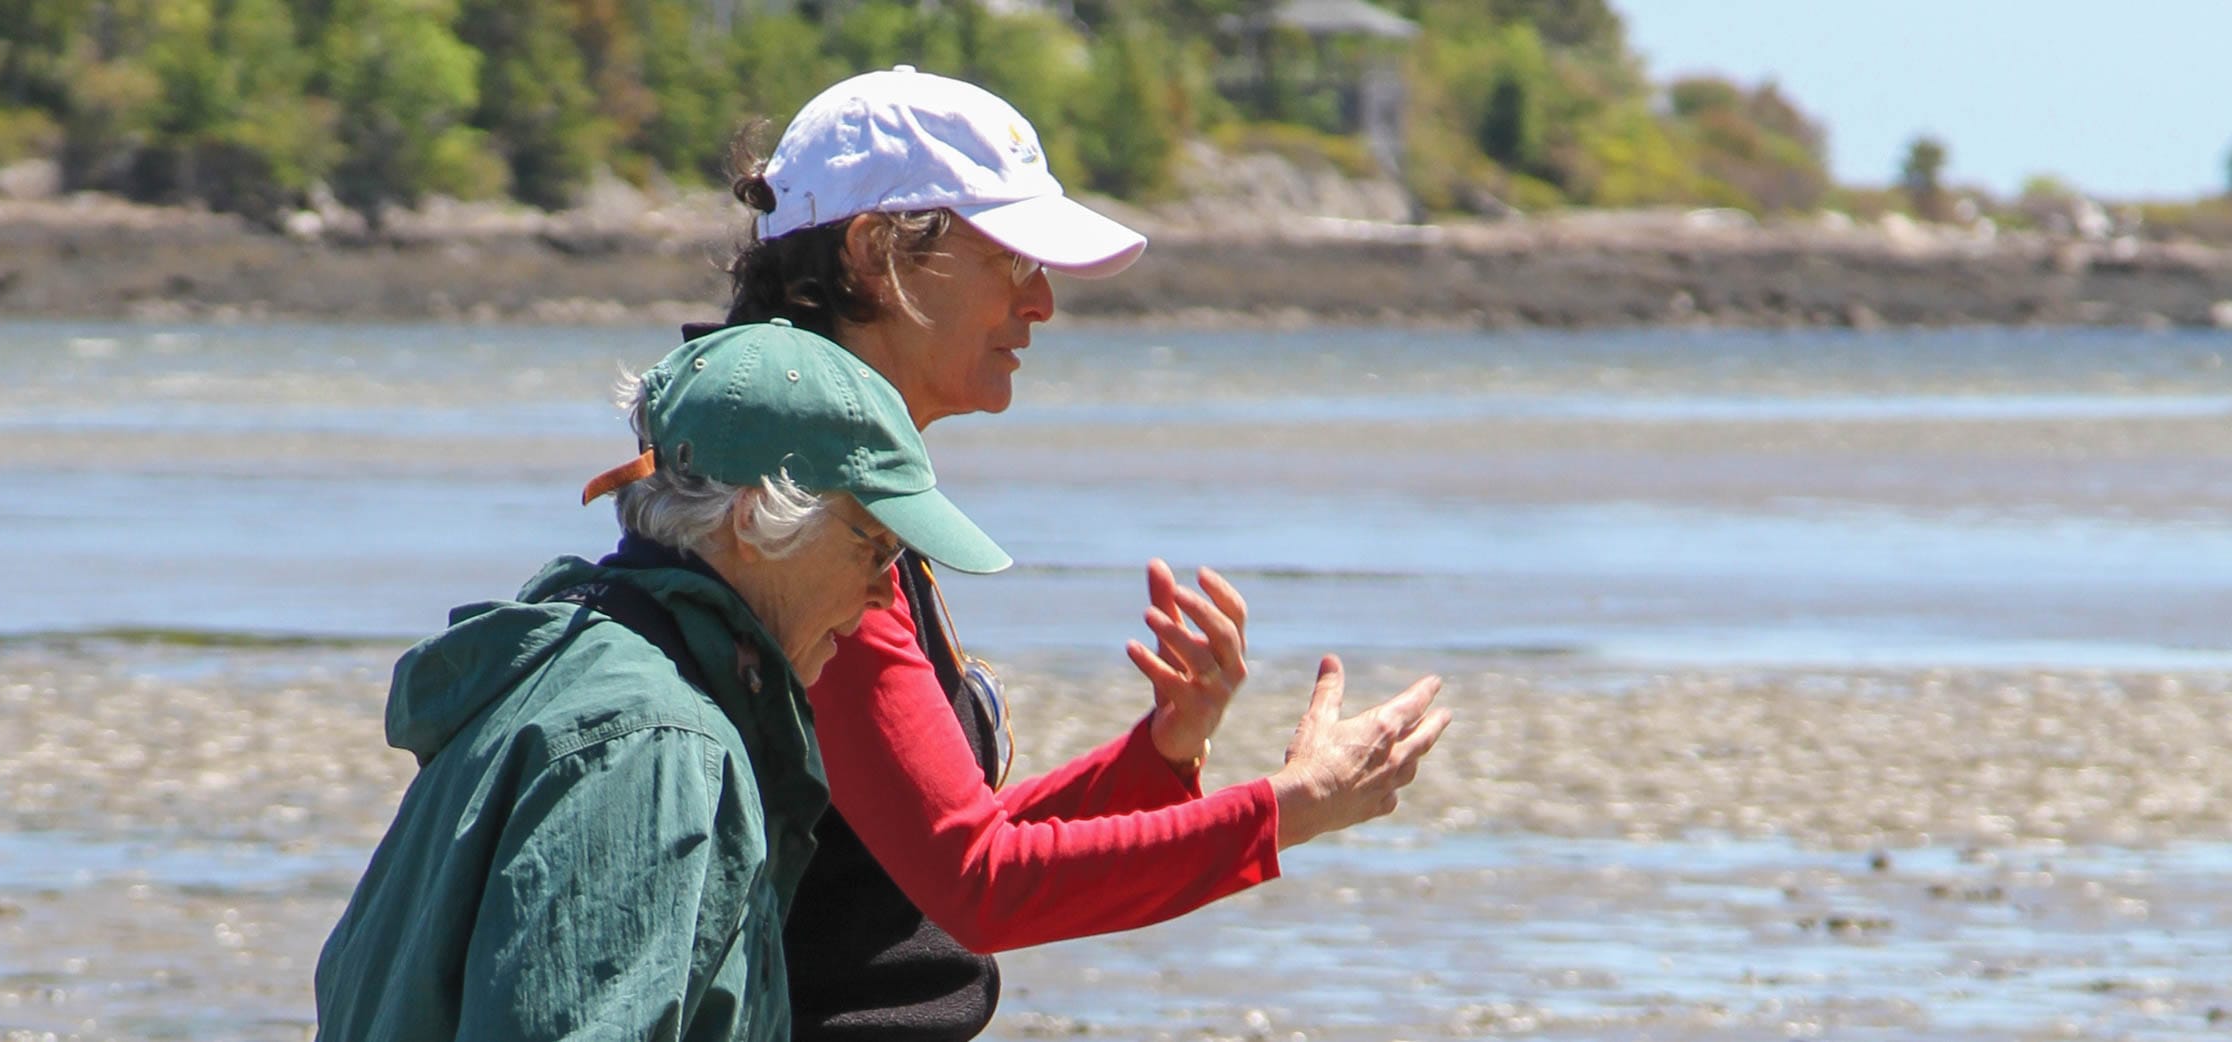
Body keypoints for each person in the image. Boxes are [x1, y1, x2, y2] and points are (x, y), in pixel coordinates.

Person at [703, 66, 1460, 1041]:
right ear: (874, 255)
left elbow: (928, 842)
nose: (1043, 302)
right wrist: (1288, 807)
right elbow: (977, 883)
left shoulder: (791, 456)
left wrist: (1160, 758)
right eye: (1010, 259)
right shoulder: (800, 508)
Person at [313, 322, 1012, 1042]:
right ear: (756, 518)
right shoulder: (652, 741)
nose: (882, 595)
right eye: (875, 550)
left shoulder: (560, 671)